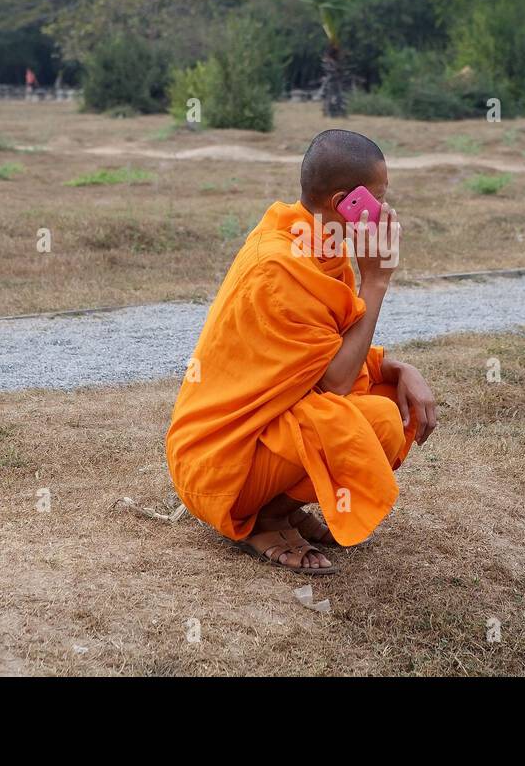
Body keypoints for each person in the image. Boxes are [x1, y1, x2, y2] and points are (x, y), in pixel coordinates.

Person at [165, 129, 438, 574]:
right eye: (378, 198)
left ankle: (283, 509)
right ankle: (266, 520)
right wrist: (376, 281)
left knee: (391, 399)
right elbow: (335, 380)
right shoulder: (278, 264)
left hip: (262, 436)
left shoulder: (316, 247)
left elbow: (323, 355)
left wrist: (400, 366)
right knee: (381, 422)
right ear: (342, 203)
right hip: (219, 461)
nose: (385, 212)